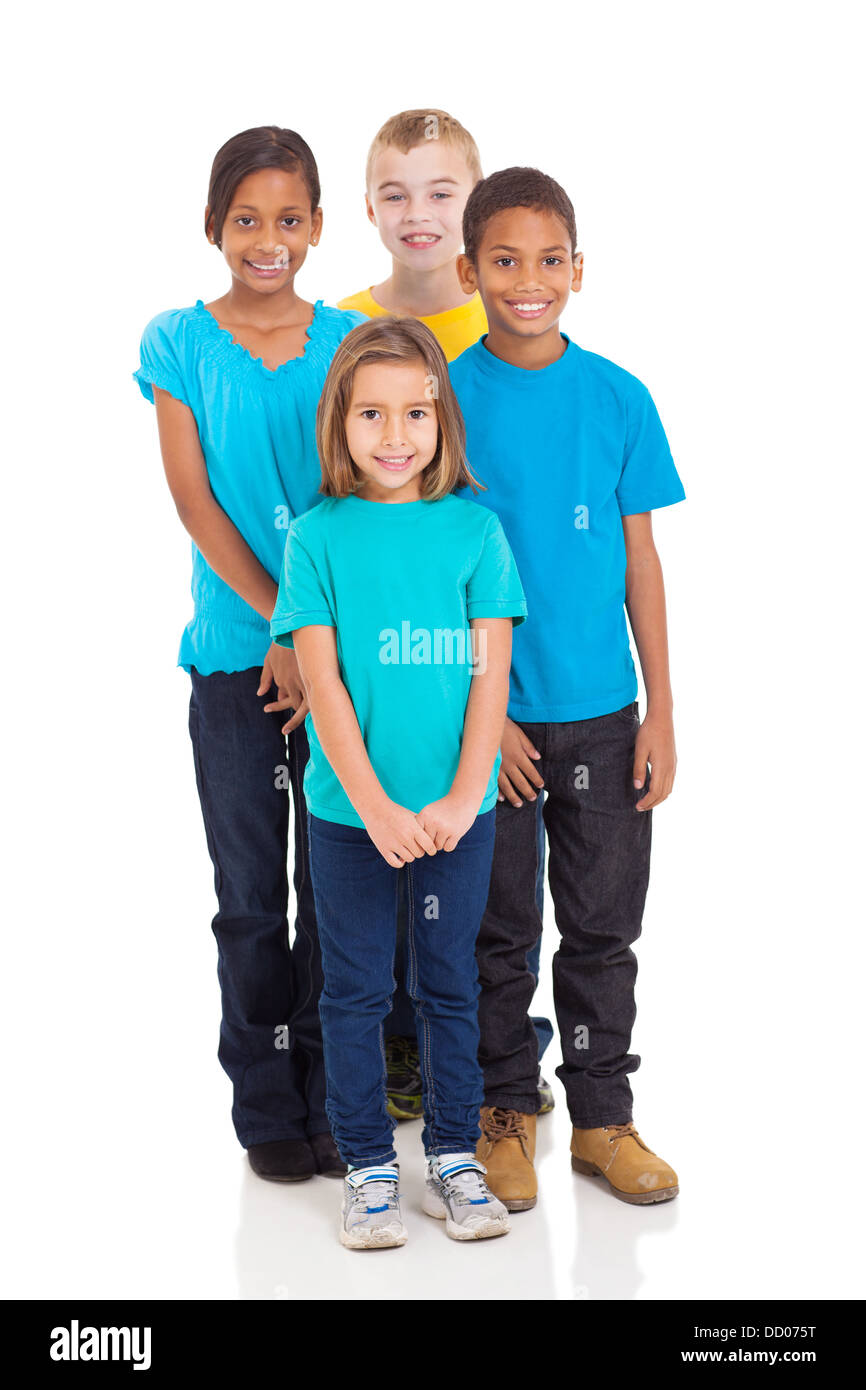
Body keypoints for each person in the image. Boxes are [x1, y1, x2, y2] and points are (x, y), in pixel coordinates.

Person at [132, 126, 366, 1184]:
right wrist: (275, 627)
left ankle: (332, 1095)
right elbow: (194, 499)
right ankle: (265, 1101)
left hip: (343, 658)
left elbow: (366, 499)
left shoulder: (351, 339)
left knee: (335, 889)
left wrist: (311, 642)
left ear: (316, 226)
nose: (266, 240)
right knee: (247, 894)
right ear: (214, 227)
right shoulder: (178, 341)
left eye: (287, 219)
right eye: (246, 220)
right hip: (234, 659)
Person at [450, 167, 686, 1209]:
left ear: (578, 270)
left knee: (600, 925)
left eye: (549, 260)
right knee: (495, 927)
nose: (527, 280)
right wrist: (484, 712)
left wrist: (661, 711)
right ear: (469, 271)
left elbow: (640, 562)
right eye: (504, 260)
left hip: (600, 713)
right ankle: (505, 1107)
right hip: (484, 718)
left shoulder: (617, 398)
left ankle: (601, 1115)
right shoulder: (443, 395)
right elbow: (431, 561)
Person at [270, 316, 527, 1247]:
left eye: (414, 413)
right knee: (354, 992)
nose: (393, 435)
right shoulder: (316, 539)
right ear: (339, 422)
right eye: (371, 413)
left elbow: (489, 677)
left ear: (441, 421)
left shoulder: (475, 532)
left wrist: (465, 796)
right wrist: (374, 807)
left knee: (451, 983)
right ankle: (370, 1168)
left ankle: (455, 1159)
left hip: (456, 816)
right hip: (350, 819)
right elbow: (324, 682)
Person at [339, 108, 555, 1120]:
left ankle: (494, 1063)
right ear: (369, 206)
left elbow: (519, 520)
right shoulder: (347, 327)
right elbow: (339, 509)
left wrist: (496, 701)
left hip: (491, 660)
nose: (418, 214)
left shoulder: (505, 317)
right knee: (369, 864)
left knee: (491, 884)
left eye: (441, 194)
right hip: (383, 657)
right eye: (396, 192)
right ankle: (390, 1053)